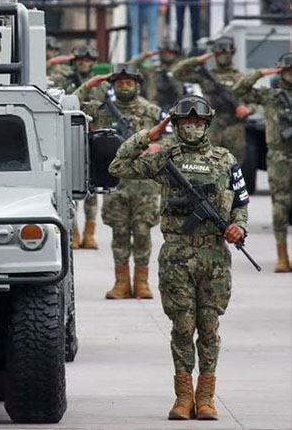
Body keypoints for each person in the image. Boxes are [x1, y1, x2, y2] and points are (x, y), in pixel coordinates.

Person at [109, 96, 249, 421]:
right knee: (182, 327)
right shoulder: (165, 159)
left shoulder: (225, 160)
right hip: (176, 254)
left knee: (209, 328)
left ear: (206, 125)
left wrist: (238, 228)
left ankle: (207, 398)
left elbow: (241, 203)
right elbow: (118, 165)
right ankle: (183, 398)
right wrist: (151, 134)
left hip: (213, 255)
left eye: (197, 123)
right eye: (184, 123)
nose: (191, 129)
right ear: (176, 125)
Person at [76, 64, 162, 299]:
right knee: (120, 235)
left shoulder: (152, 112)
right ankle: (121, 283)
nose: (124, 87)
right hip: (116, 183)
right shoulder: (103, 110)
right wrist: (90, 84)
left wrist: (158, 146)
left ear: (137, 85)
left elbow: (174, 136)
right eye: (120, 83)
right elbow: (70, 104)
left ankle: (142, 283)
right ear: (113, 86)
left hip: (145, 184)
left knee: (143, 232)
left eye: (129, 83)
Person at [233, 53, 292, 272]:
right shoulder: (271, 96)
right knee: (280, 208)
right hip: (279, 158)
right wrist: (260, 73)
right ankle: (282, 256)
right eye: (287, 71)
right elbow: (239, 90)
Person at [51, 45, 105, 248]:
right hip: (72, 138)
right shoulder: (64, 79)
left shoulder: (102, 86)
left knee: (92, 188)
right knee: (71, 187)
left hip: (94, 139)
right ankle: (73, 232)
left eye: (89, 60)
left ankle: (89, 234)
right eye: (80, 59)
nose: (84, 63)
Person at [171, 36, 255, 163]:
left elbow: (254, 100)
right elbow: (177, 72)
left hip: (234, 127)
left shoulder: (241, 77)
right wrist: (199, 59)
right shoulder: (206, 76)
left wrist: (248, 109)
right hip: (212, 126)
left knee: (235, 166)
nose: (222, 56)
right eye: (219, 53)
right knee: (208, 164)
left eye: (225, 52)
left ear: (232, 53)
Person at [128, 38, 188, 112]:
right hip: (156, 108)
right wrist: (145, 55)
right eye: (164, 52)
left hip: (178, 108)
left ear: (175, 53)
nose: (167, 55)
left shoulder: (182, 70)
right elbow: (129, 67)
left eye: (169, 52)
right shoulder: (153, 70)